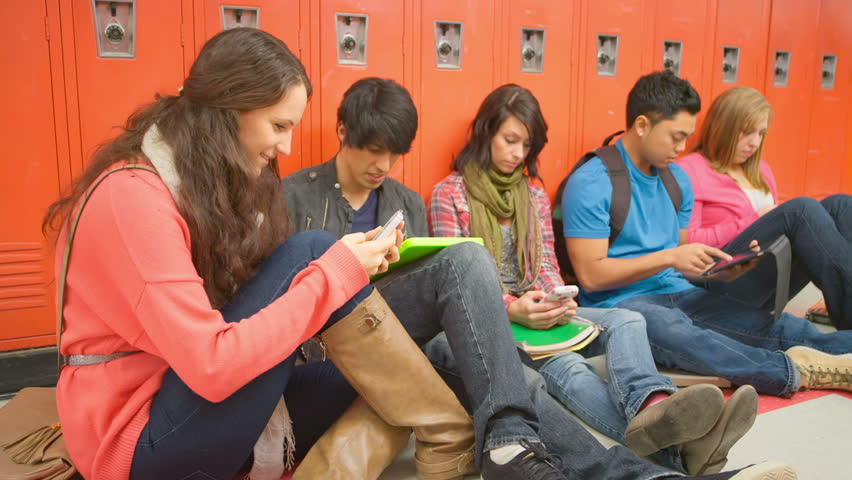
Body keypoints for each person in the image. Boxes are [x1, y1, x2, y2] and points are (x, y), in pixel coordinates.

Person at [284, 77, 795, 480]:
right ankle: (620, 450)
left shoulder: (406, 201)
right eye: (373, 149)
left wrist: (551, 298)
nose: (384, 164)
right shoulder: (296, 197)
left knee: (535, 365)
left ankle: (642, 467)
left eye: (395, 153)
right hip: (336, 344)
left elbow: (426, 280)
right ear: (343, 133)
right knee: (487, 292)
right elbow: (287, 302)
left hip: (412, 338)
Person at [43, 29, 476, 480]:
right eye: (279, 126)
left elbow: (244, 316)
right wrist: (334, 274)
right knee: (311, 251)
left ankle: (455, 440)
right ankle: (454, 441)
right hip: (140, 447)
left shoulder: (194, 183)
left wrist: (341, 277)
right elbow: (214, 364)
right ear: (229, 112)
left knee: (375, 370)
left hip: (183, 404)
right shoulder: (130, 198)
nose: (286, 147)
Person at [428, 83, 759, 475]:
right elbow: (461, 286)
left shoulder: (532, 194)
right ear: (486, 134)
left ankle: (653, 404)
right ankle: (684, 450)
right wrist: (512, 308)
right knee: (569, 369)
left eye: (527, 146)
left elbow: (548, 265)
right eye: (510, 141)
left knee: (628, 319)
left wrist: (559, 297)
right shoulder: (449, 194)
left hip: (541, 311)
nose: (518, 154)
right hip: (492, 325)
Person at [561, 70, 852, 403]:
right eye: (675, 136)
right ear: (642, 125)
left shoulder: (676, 182)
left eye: (687, 136)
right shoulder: (592, 182)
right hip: (621, 305)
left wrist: (720, 270)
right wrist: (670, 257)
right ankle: (795, 372)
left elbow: (682, 262)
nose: (682, 147)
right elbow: (592, 277)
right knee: (682, 335)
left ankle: (838, 355)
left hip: (679, 291)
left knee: (779, 328)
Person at [676, 86, 852, 331]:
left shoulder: (761, 171)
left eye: (761, 133)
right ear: (723, 127)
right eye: (747, 133)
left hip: (766, 276)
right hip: (722, 281)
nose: (755, 143)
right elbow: (686, 242)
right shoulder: (690, 169)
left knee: (841, 204)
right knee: (801, 210)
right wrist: (750, 220)